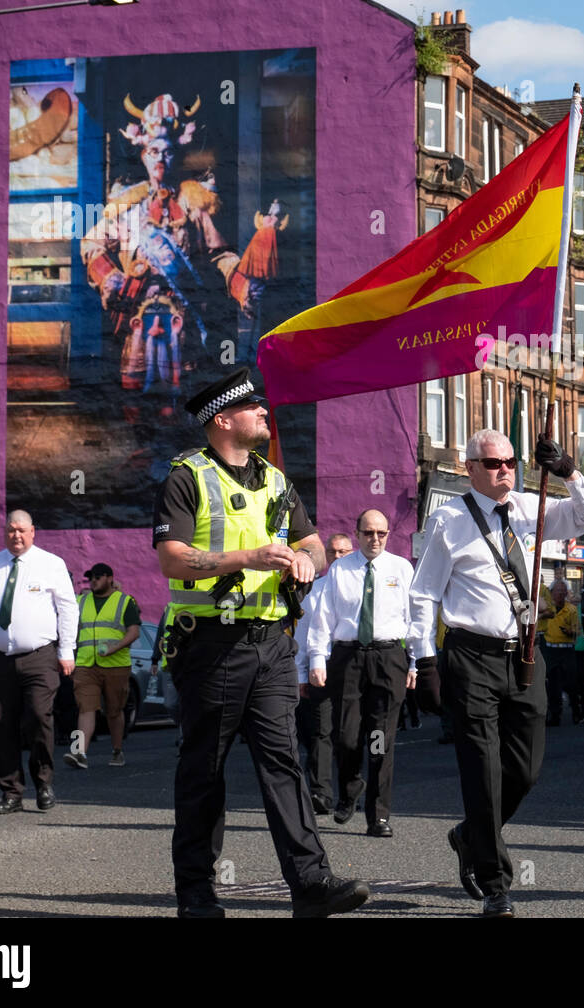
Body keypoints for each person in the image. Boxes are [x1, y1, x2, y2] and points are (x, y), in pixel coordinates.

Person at [154, 367, 368, 919]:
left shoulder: (275, 479)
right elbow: (171, 558)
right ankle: (197, 893)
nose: (265, 415)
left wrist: (305, 560)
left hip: (272, 643)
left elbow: (317, 547)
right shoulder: (188, 475)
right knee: (205, 768)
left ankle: (311, 886)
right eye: (254, 409)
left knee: (284, 763)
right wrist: (248, 557)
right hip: (210, 647)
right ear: (223, 419)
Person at [410, 428, 584, 917]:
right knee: (481, 768)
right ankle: (496, 883)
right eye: (493, 462)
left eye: (511, 461)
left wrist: (567, 471)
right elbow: (423, 594)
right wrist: (424, 660)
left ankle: (471, 834)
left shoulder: (528, 508)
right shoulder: (448, 520)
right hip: (470, 655)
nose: (505, 469)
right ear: (469, 468)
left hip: (524, 655)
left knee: (526, 768)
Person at [308, 510, 415, 837]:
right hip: (348, 658)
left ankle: (378, 815)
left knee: (381, 738)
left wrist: (415, 661)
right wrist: (316, 658)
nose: (375, 539)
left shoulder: (402, 568)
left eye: (381, 533)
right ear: (357, 533)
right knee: (347, 734)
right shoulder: (341, 568)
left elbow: (415, 619)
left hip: (387, 658)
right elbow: (323, 617)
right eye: (368, 533)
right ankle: (350, 786)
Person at [0, 510, 77, 815]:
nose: (16, 536)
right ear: (4, 532)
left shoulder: (51, 564)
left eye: (21, 530)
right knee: (2, 724)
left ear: (33, 532)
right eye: (10, 531)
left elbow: (68, 608)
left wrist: (67, 650)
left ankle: (43, 782)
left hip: (40, 657)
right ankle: (11, 792)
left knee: (38, 717)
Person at [294, 531, 352, 814]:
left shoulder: (360, 587)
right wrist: (301, 675)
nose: (338, 557)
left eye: (343, 552)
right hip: (320, 668)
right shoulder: (314, 589)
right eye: (333, 552)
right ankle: (320, 792)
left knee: (349, 734)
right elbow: (302, 635)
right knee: (319, 733)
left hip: (352, 667)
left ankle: (349, 791)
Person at [65, 563, 142, 769]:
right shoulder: (80, 601)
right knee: (85, 708)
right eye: (91, 577)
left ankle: (117, 750)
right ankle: (79, 752)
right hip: (85, 664)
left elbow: (134, 632)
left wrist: (115, 648)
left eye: (98, 577)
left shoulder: (124, 601)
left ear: (110, 578)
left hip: (116, 665)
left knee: (114, 711)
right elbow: (69, 631)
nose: (93, 580)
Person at [540, 579, 580, 726]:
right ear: (551, 593)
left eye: (563, 591)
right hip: (550, 649)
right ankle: (555, 715)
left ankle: (577, 711)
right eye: (558, 591)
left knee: (571, 683)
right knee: (553, 686)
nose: (561, 594)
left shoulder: (572, 610)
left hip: (567, 649)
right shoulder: (546, 610)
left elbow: (577, 632)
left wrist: (570, 631)